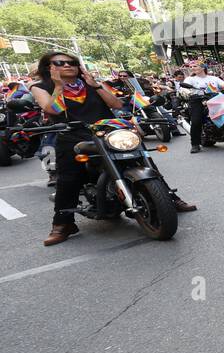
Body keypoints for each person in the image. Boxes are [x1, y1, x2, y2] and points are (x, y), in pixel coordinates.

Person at [28, 53, 193, 246]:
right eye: (60, 63)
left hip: (108, 130)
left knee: (142, 158)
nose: (67, 65)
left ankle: (169, 198)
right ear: (49, 67)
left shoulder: (91, 83)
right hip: (73, 134)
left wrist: (96, 85)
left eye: (72, 62)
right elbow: (52, 110)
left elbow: (116, 104)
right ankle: (63, 224)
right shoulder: (40, 87)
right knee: (69, 177)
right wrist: (58, 86)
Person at [178, 58, 224, 154]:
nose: (192, 68)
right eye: (191, 67)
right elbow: (184, 88)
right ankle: (195, 144)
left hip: (215, 99)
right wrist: (187, 92)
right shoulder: (190, 79)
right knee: (196, 121)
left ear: (203, 67)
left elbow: (223, 84)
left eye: (195, 66)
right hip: (198, 100)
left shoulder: (213, 78)